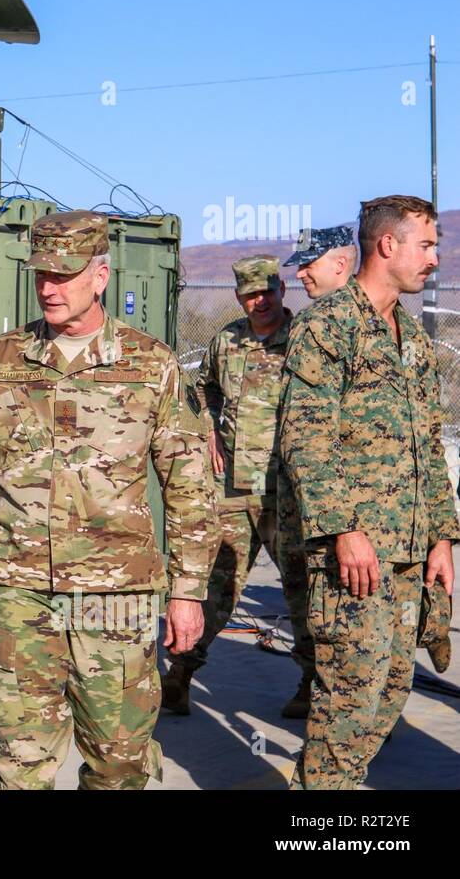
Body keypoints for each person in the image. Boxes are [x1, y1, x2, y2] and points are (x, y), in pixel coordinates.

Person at [0, 210, 217, 790]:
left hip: (115, 596)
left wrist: (188, 592)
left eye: (64, 274)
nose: (49, 287)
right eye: (42, 274)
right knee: (21, 761)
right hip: (18, 592)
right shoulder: (0, 361)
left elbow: (189, 486)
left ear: (101, 276)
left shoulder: (151, 366)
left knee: (120, 761)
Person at [281, 195, 457, 789]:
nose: (435, 258)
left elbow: (429, 446)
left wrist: (442, 537)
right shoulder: (327, 325)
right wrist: (343, 530)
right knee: (346, 709)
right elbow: (304, 440)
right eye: (427, 245)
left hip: (408, 557)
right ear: (388, 245)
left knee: (388, 694)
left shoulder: (411, 336)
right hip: (353, 558)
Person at [162, 256, 292, 715]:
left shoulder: (303, 342)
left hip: (287, 493)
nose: (260, 302)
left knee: (305, 592)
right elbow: (201, 387)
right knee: (216, 589)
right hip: (234, 489)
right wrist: (209, 428)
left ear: (282, 289)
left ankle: (322, 688)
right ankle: (178, 678)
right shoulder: (228, 341)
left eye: (267, 292)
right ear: (239, 297)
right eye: (250, 295)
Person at [271, 225, 358, 718]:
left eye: (311, 263)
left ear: (341, 263)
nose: (301, 272)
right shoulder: (312, 322)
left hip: (342, 508)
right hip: (293, 497)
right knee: (301, 597)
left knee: (342, 611)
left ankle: (353, 708)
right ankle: (313, 680)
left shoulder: (356, 326)